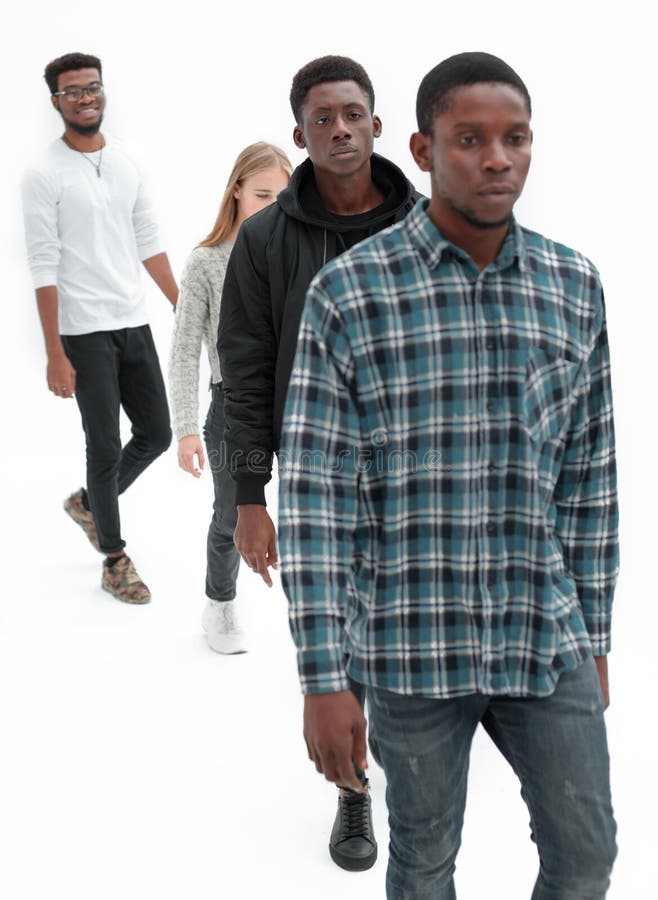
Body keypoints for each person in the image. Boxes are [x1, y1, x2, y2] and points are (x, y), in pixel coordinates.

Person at [278, 51, 619, 898]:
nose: (497, 158)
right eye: (470, 139)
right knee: (424, 858)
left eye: (515, 138)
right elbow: (316, 495)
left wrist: (596, 636)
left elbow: (590, 480)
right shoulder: (349, 293)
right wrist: (324, 676)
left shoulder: (574, 286)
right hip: (408, 644)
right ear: (426, 150)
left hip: (545, 636)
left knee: (588, 857)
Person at [218, 55, 419, 871]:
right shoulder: (265, 240)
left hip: (421, 473)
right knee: (337, 640)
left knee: (410, 634)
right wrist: (246, 496)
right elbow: (245, 367)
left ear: (375, 122)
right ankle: (354, 791)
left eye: (353, 114)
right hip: (317, 478)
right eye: (322, 119)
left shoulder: (429, 223)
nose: (340, 129)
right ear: (300, 133)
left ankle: (423, 774)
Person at [22, 52, 179, 604]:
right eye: (73, 91)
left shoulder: (126, 163)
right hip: (82, 332)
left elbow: (147, 238)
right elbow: (42, 264)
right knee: (105, 445)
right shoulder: (43, 173)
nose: (86, 97)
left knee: (157, 433)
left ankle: (89, 502)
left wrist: (182, 303)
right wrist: (53, 352)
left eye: (93, 87)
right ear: (56, 102)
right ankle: (114, 557)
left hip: (133, 321)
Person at [168, 142, 291, 654]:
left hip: (296, 402)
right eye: (262, 194)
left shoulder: (294, 251)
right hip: (233, 407)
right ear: (236, 191)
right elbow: (183, 351)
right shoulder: (206, 262)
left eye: (282, 197)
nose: (271, 206)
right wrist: (187, 428)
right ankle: (219, 603)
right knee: (230, 513)